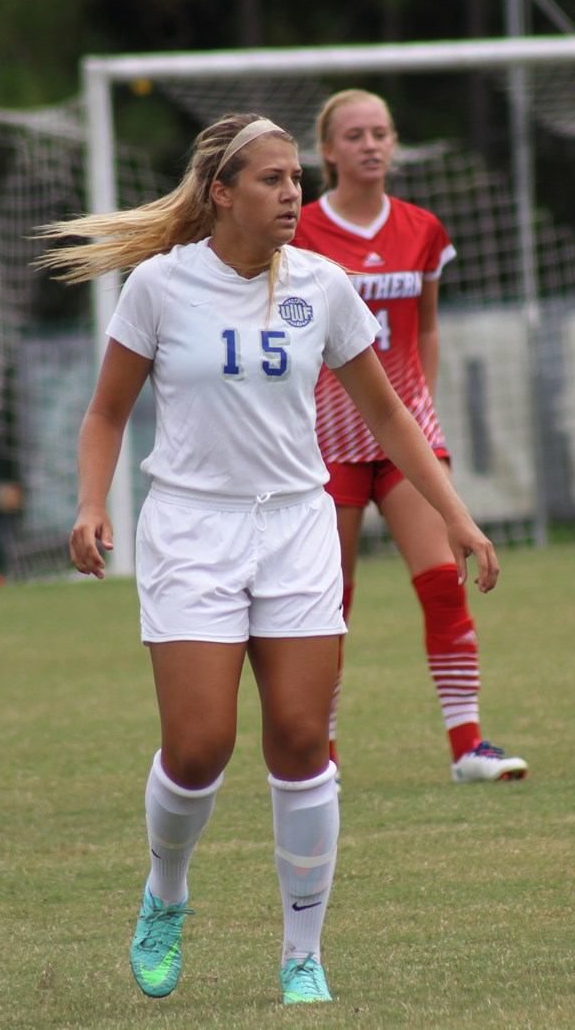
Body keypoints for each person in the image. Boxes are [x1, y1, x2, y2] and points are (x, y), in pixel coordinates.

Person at [36, 113, 500, 1005]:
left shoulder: (324, 286)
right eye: (273, 180)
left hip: (296, 526)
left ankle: (301, 953)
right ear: (221, 192)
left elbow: (392, 413)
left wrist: (458, 517)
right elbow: (105, 414)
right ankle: (166, 891)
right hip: (192, 531)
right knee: (200, 746)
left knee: (298, 738)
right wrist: (94, 504)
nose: (294, 194)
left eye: (295, 178)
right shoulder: (161, 287)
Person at [291, 89, 529, 782]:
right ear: (328, 151)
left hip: (403, 436)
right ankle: (320, 759)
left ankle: (468, 748)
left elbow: (424, 325)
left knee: (442, 583)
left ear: (395, 143)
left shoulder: (422, 228)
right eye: (355, 135)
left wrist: (416, 402)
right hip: (322, 440)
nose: (371, 144)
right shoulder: (299, 231)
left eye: (382, 133)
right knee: (325, 604)